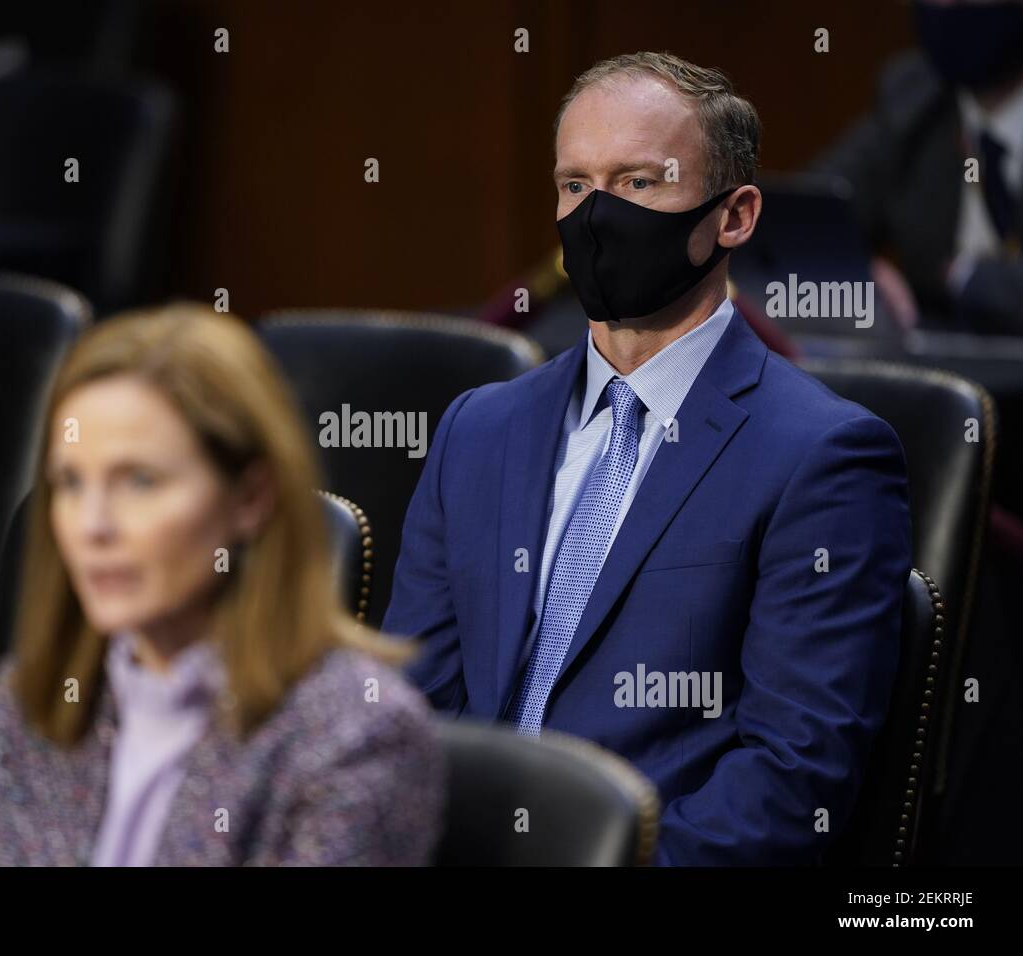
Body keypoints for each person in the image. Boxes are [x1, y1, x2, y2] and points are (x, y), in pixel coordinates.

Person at [384, 52, 912, 865]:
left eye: (638, 183)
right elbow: (413, 712)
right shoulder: (476, 430)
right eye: (575, 186)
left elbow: (789, 784)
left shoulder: (825, 456)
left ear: (733, 216)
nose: (597, 215)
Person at [0, 302, 445, 866]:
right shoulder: (28, 699)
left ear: (251, 499)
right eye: (70, 483)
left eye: (140, 481)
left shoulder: (355, 733)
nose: (92, 525)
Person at [813, 0, 1023, 333]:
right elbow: (807, 210)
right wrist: (852, 270)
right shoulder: (917, 98)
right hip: (941, 369)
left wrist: (965, 277)